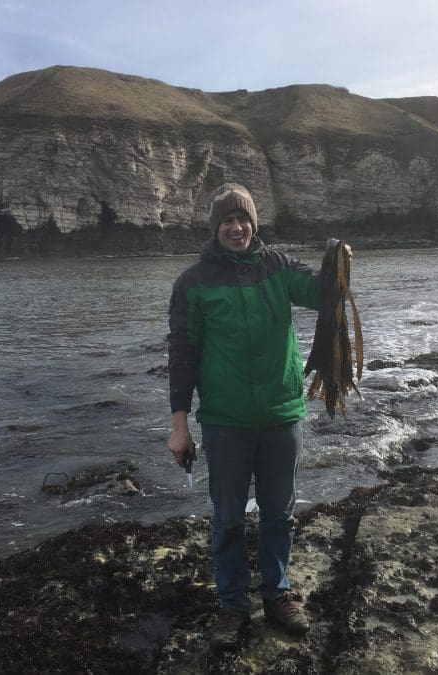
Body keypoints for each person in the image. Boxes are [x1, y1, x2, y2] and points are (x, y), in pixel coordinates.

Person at [167, 183, 343, 650]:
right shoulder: (192, 283)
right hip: (224, 421)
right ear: (215, 228)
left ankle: (278, 595)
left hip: (282, 414)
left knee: (279, 515)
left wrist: (338, 263)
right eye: (226, 220)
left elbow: (324, 293)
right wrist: (179, 423)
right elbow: (182, 353)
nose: (235, 227)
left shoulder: (278, 266)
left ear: (253, 224)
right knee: (227, 518)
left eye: (242, 218)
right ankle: (232, 606)